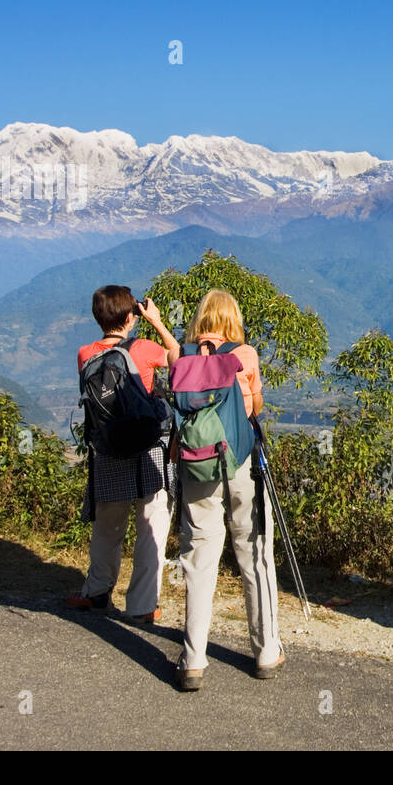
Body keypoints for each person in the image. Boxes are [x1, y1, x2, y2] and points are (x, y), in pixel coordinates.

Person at [174, 289, 282, 692]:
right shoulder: (246, 355)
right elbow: (254, 409)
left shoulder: (183, 356)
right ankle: (266, 650)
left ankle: (193, 659)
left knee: (199, 556)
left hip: (196, 464)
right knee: (253, 552)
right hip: (240, 462)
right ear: (233, 318)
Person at [67, 286, 180, 624]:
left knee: (107, 526)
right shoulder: (144, 348)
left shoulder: (85, 354)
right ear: (132, 316)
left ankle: (98, 592)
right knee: (151, 527)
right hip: (149, 448)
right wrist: (157, 322)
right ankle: (143, 605)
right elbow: (178, 359)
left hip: (108, 449)